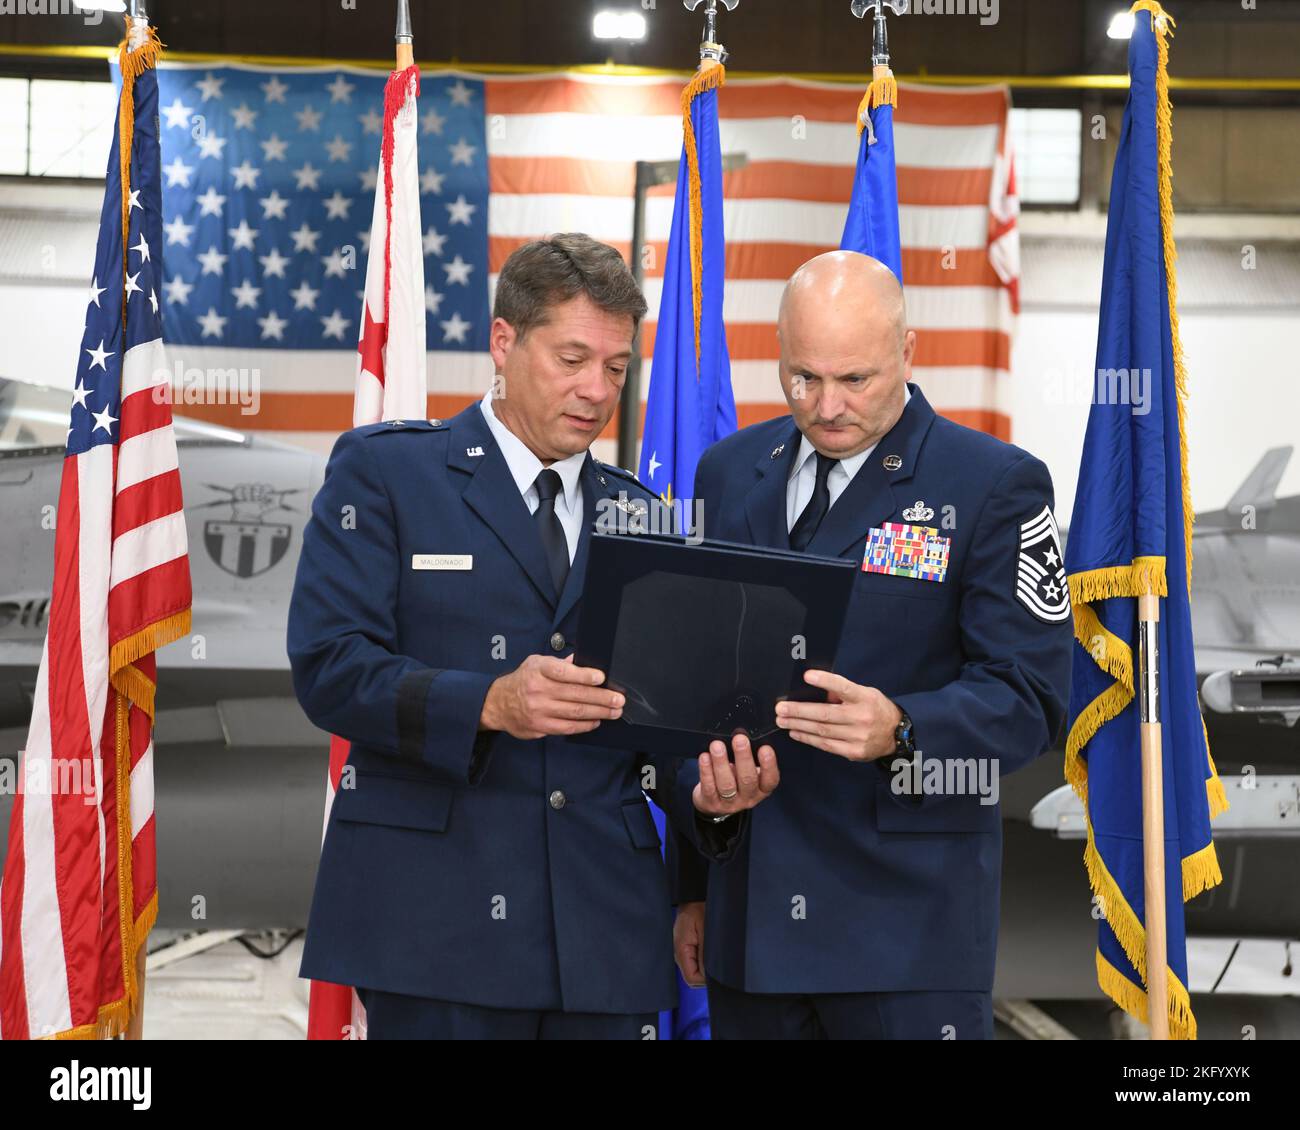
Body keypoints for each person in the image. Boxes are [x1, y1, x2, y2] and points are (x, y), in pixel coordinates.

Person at [288, 234, 779, 1040]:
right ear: (504, 341)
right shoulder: (387, 476)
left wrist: (710, 795)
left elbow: (666, 730)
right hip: (435, 926)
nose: (596, 390)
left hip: (604, 934)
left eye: (617, 369)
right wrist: (489, 702)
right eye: (573, 359)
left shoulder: (646, 519)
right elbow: (329, 667)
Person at [671, 250, 1072, 1040]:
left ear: (908, 353)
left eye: (855, 379)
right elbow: (695, 697)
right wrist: (695, 877)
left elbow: (1032, 697)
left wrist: (905, 730)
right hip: (750, 932)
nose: (826, 406)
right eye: (803, 378)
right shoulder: (726, 472)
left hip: (906, 938)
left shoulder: (993, 484)